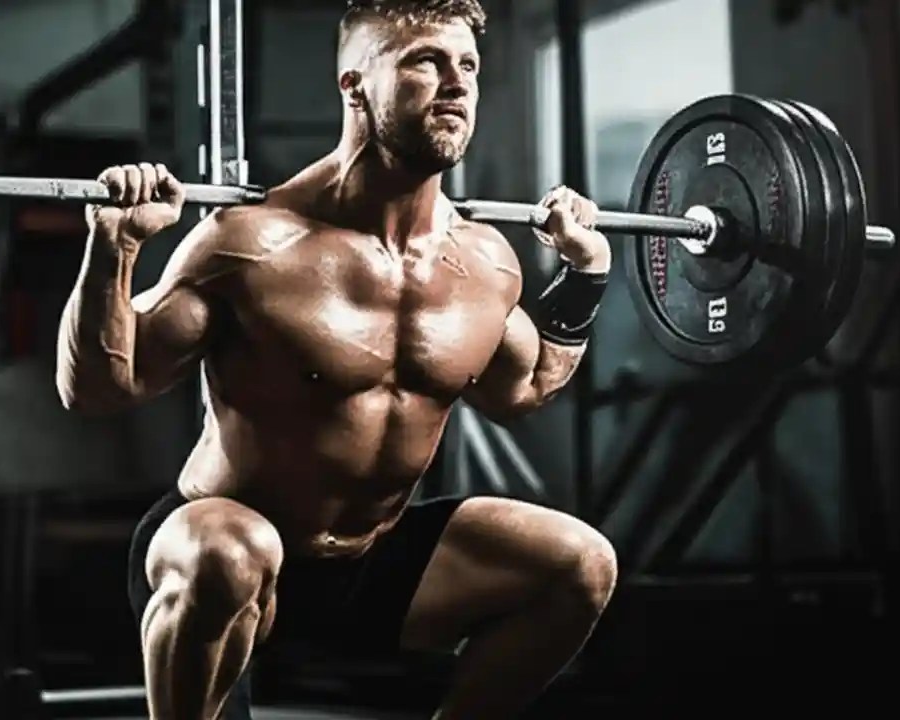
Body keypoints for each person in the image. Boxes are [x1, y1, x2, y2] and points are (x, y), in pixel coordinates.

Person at [55, 1, 618, 718]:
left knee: (579, 565)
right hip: (222, 553)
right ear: (354, 85)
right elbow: (100, 390)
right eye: (426, 62)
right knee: (232, 553)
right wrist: (115, 247)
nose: (457, 84)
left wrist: (588, 273)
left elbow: (525, 388)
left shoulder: (484, 262)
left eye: (468, 65)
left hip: (370, 559)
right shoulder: (252, 244)